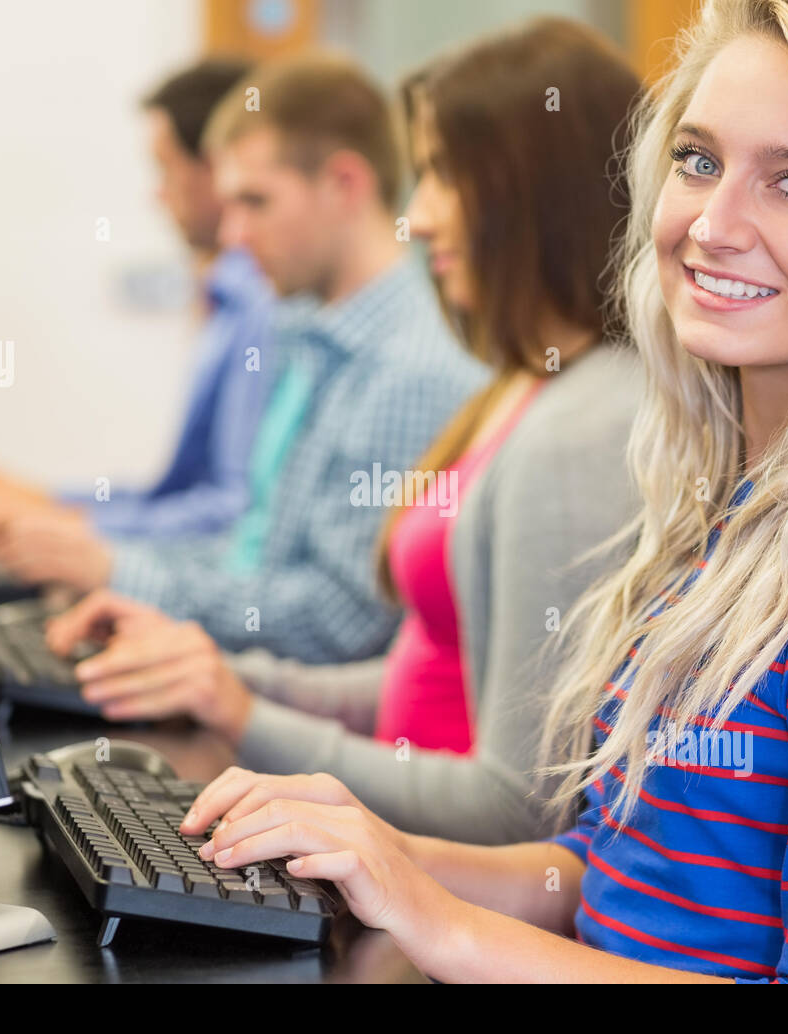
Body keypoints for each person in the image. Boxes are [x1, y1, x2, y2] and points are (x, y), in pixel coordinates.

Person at [163, 0, 788, 983]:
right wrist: (377, 851)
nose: (711, 223)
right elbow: (600, 875)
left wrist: (442, 927)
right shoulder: (726, 510)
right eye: (698, 161)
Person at [44, 18, 646, 845]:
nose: (421, 217)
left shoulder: (580, 427)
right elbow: (419, 678)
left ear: (531, 193)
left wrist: (249, 715)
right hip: (406, 847)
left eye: (443, 176)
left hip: (433, 883)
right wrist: (224, 679)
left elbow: (517, 807)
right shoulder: (523, 386)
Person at [44, 55, 487, 664]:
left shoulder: (410, 370)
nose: (233, 234)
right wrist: (115, 570)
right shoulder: (303, 332)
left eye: (256, 201)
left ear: (344, 185)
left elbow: (340, 621)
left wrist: (120, 571)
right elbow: (250, 552)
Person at [0, 60, 277, 587]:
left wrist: (66, 524)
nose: (157, 196)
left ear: (215, 166)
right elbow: (178, 497)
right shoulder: (231, 299)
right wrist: (47, 503)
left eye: (165, 170)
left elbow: (226, 514)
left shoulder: (262, 305)